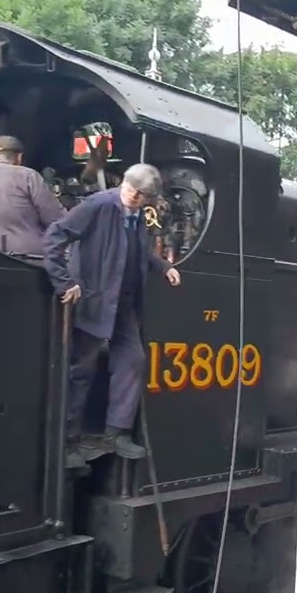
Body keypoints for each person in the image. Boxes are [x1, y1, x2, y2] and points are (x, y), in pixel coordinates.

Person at [42, 163, 182, 466]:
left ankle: (116, 433)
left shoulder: (139, 217)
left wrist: (165, 267)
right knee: (81, 371)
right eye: (132, 190)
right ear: (125, 185)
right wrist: (64, 283)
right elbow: (56, 235)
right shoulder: (98, 205)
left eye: (141, 194)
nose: (134, 196)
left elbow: (139, 252)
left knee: (133, 360)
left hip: (123, 304)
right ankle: (68, 442)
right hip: (95, 302)